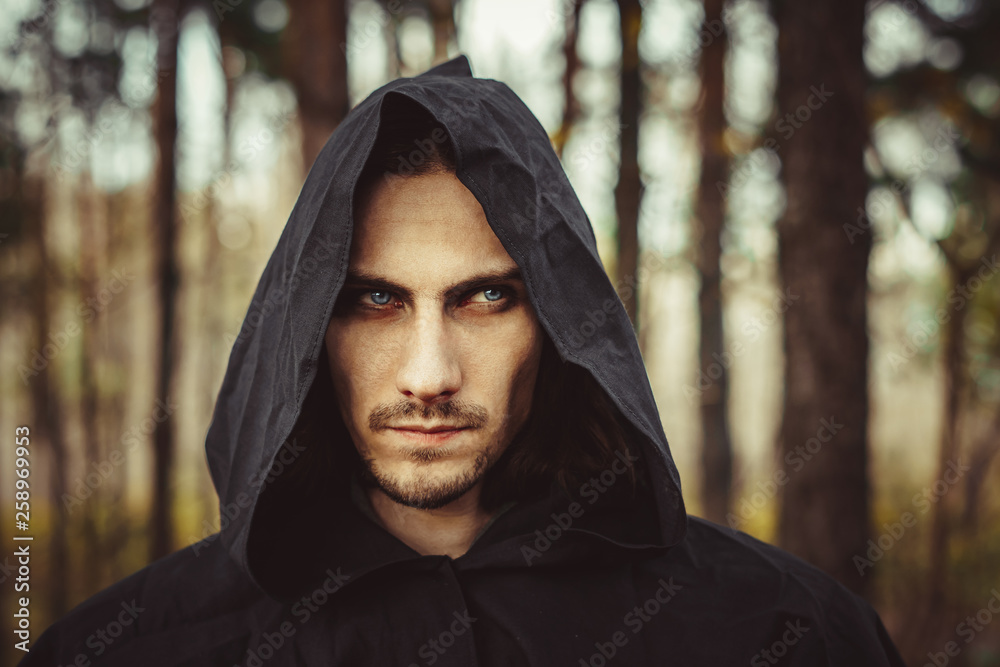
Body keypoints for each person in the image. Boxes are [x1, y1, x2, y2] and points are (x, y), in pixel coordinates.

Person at [21, 55, 906, 667]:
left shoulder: (783, 631)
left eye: (486, 297)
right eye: (376, 299)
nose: (429, 373)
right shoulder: (138, 646)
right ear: (306, 328)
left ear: (559, 320)